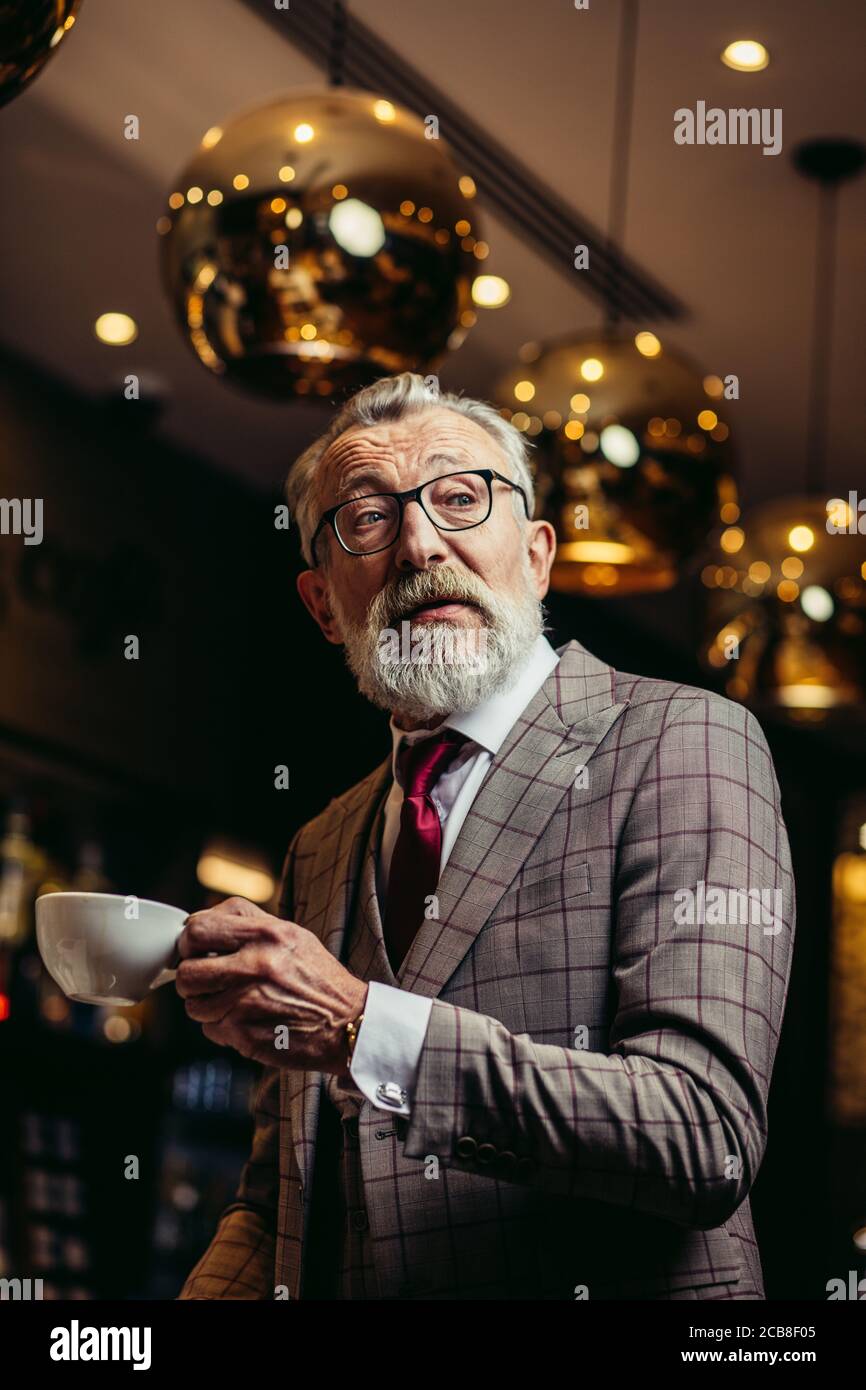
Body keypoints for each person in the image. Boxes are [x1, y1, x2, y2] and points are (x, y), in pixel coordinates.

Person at [177, 372, 795, 1300]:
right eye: (370, 520)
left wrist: (358, 1025)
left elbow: (700, 1134)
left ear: (538, 556)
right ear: (320, 603)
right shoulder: (322, 842)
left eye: (460, 499)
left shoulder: (685, 739)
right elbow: (277, 1201)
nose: (422, 543)